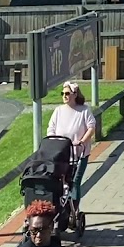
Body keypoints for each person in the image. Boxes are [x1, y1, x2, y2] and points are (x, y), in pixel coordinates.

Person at [46, 81, 96, 209]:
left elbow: (91, 127)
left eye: (67, 93)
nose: (64, 96)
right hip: (62, 153)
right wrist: (53, 140)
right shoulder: (58, 111)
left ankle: (75, 208)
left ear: (74, 94)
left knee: (75, 181)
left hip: (79, 153)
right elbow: (51, 128)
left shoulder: (84, 110)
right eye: (62, 93)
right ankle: (62, 205)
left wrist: (82, 141)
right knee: (61, 181)